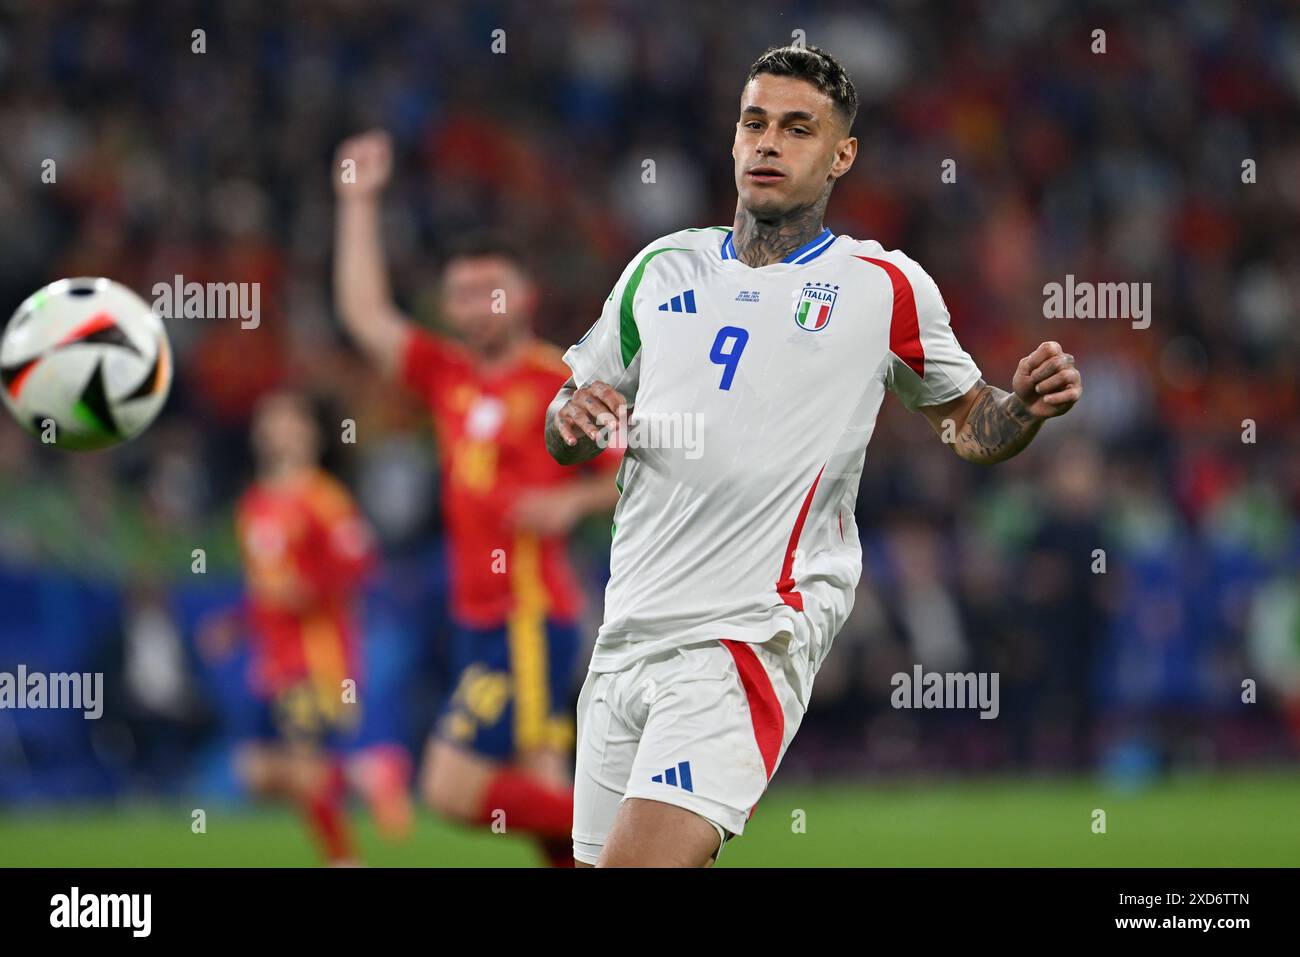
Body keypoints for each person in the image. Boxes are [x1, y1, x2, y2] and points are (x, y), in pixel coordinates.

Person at [545, 45, 1083, 867]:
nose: (768, 144)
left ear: (841, 156)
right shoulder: (659, 269)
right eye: (755, 123)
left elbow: (971, 423)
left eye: (797, 129)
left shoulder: (882, 286)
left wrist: (1024, 410)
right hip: (626, 633)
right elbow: (562, 415)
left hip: (746, 634)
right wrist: (569, 416)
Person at [333, 132, 621, 866]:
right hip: (479, 616)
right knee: (538, 791)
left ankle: (640, 840)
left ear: (523, 295)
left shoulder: (558, 379)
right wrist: (357, 200)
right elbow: (368, 316)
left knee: (451, 788)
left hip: (526, 614)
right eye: (460, 291)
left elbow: (633, 472)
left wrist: (572, 504)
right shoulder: (448, 375)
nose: (473, 304)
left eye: (489, 288)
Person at [205, 390, 412, 866]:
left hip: (317, 653)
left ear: (309, 434)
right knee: (255, 772)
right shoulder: (254, 504)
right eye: (267, 420)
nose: (275, 429)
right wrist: (234, 625)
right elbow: (265, 588)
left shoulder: (322, 497)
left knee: (303, 767)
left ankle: (344, 857)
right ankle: (367, 775)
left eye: (285, 419)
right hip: (272, 656)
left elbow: (360, 562)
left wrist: (309, 591)